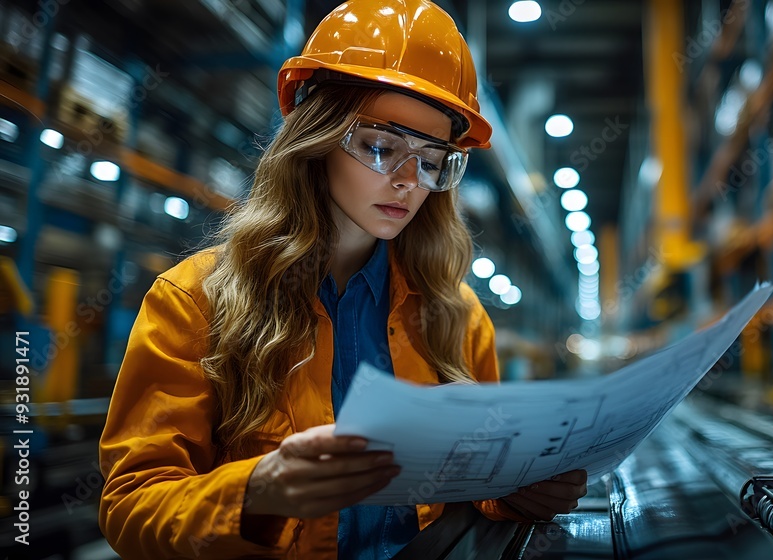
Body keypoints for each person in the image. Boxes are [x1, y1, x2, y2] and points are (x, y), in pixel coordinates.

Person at [97, 0, 588, 558]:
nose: (409, 180)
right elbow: (130, 506)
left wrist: (518, 490)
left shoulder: (456, 316)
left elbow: (477, 484)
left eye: (432, 160)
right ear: (318, 137)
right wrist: (255, 492)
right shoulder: (197, 300)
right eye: (381, 147)